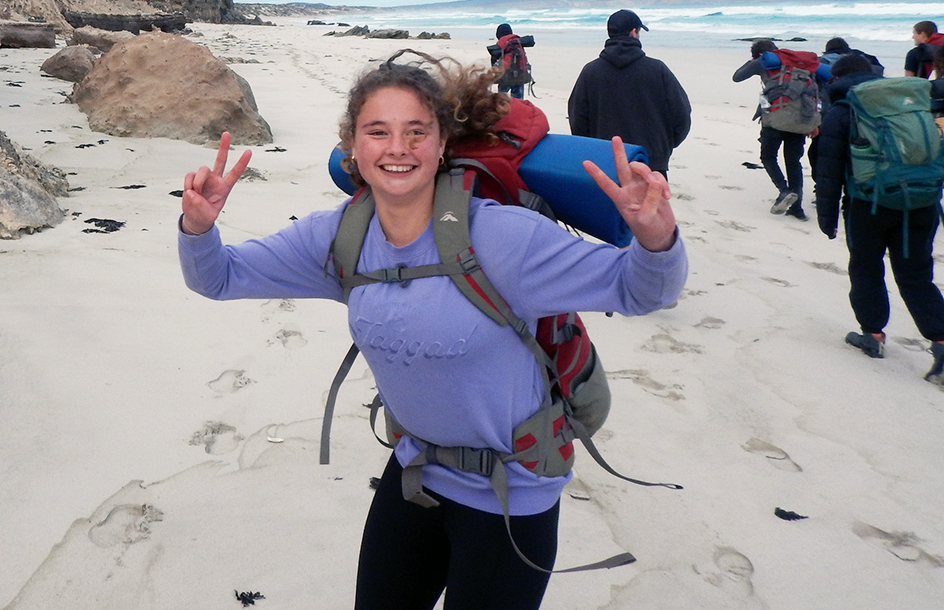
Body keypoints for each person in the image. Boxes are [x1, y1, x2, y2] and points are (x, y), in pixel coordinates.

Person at [177, 52, 687, 610]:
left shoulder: (504, 239)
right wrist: (198, 228)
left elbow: (642, 291)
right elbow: (218, 278)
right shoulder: (337, 237)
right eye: (378, 131)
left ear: (442, 143)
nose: (397, 148)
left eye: (416, 132)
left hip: (511, 494)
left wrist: (655, 240)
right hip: (414, 475)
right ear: (353, 145)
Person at [811, 52, 944, 383]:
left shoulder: (844, 110)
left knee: (866, 268)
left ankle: (872, 335)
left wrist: (827, 220)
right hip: (921, 201)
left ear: (836, 79)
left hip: (868, 206)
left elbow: (826, 171)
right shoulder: (909, 103)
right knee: (916, 275)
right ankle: (941, 341)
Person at [567, 9, 691, 174]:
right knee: (652, 200)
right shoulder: (657, 69)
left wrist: (594, 149)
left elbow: (578, 119)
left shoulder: (591, 71)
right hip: (650, 162)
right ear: (633, 32)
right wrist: (663, 148)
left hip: (605, 161)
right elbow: (681, 114)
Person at [732, 39, 819, 220]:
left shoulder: (763, 62)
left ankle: (784, 190)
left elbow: (737, 76)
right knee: (793, 162)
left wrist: (754, 61)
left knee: (768, 156)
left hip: (774, 117)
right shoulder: (799, 64)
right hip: (800, 118)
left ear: (760, 55)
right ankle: (797, 210)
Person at [486, 23, 534, 99]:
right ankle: (518, 108)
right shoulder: (518, 41)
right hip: (520, 75)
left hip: (506, 76)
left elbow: (495, 60)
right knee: (518, 99)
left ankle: (503, 109)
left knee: (501, 99)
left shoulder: (501, 42)